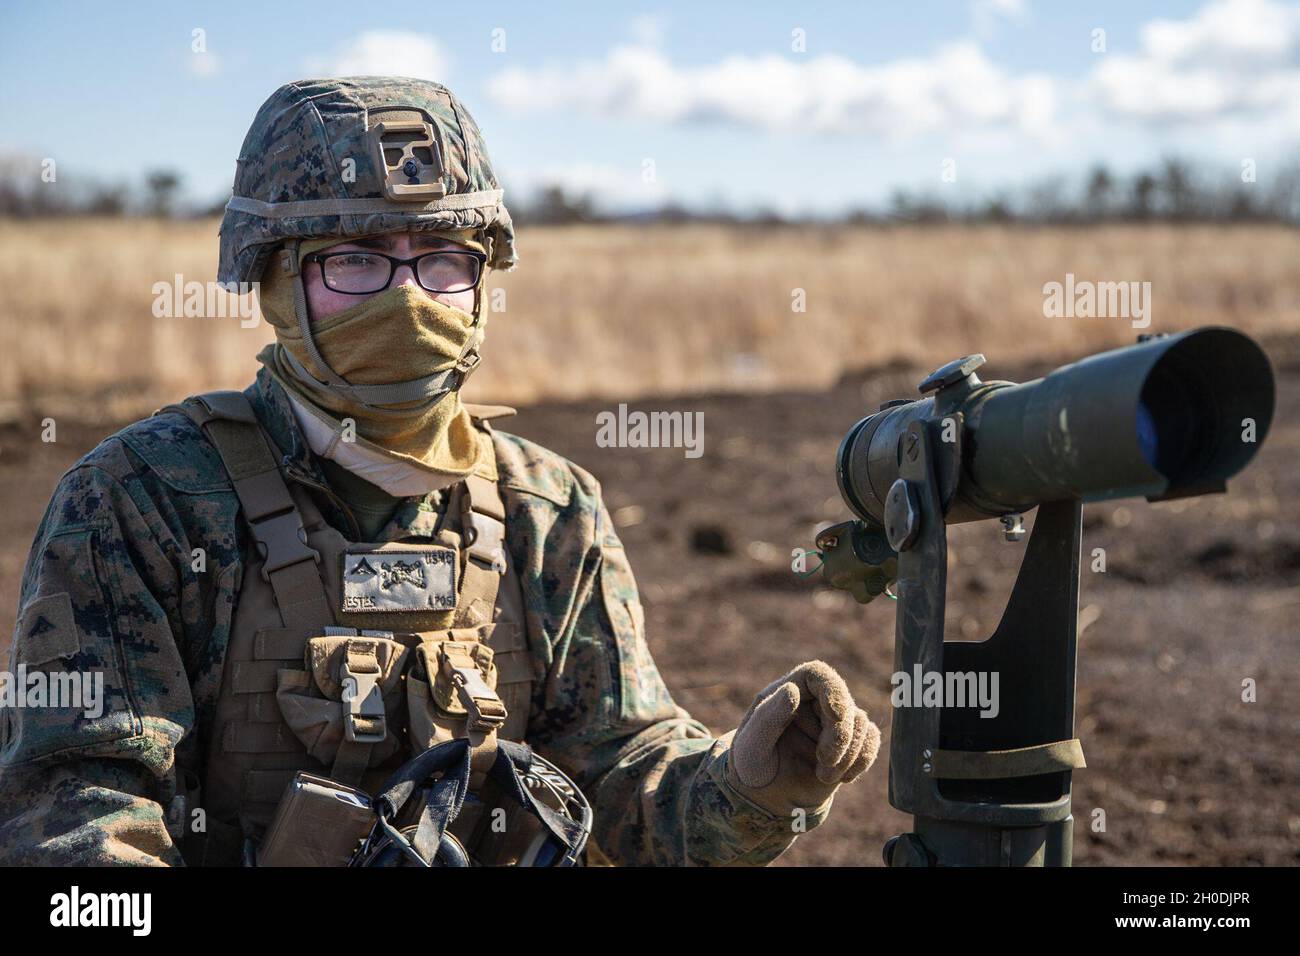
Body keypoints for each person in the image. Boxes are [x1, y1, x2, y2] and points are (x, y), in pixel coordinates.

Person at [0, 77, 879, 866]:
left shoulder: (549, 507)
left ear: (483, 280)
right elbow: (74, 818)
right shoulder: (141, 499)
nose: (408, 296)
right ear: (272, 280)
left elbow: (622, 785)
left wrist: (751, 788)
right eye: (354, 260)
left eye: (442, 259)